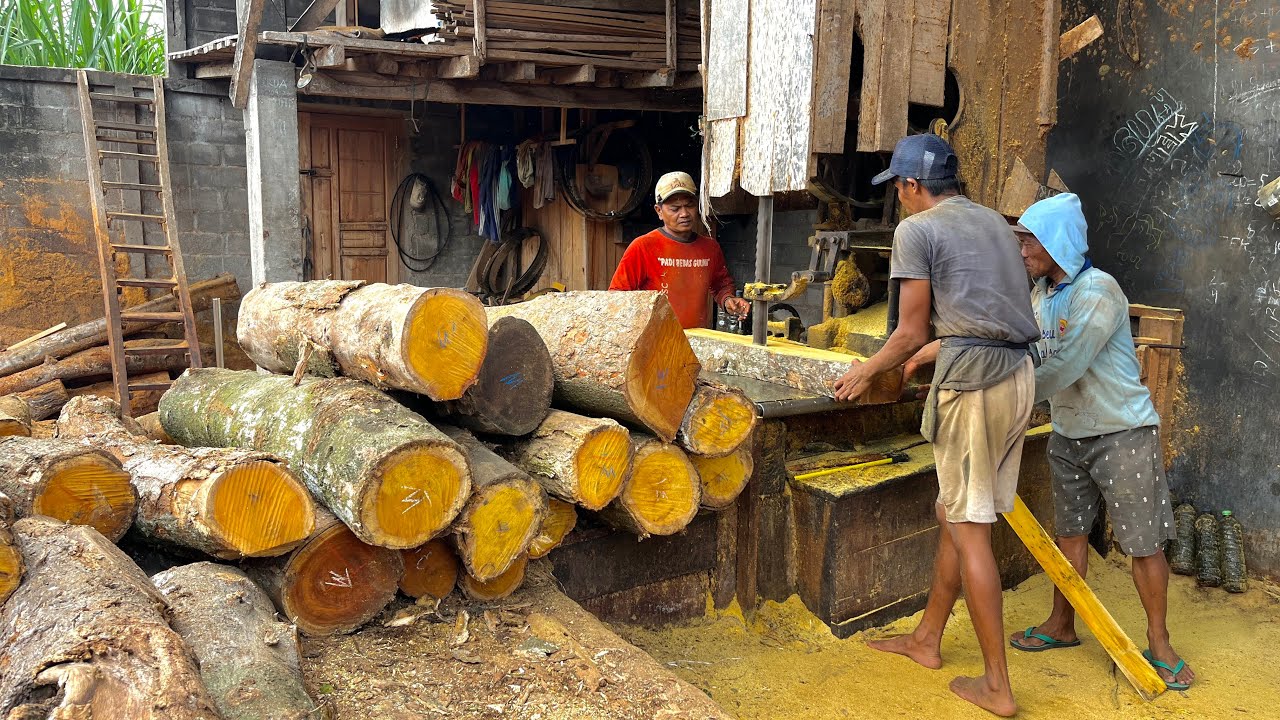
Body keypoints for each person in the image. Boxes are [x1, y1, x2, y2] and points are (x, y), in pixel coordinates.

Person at [833, 134, 1040, 717]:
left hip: (974, 386)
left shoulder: (916, 231)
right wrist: (922, 358)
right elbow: (983, 316)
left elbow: (910, 332)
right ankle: (927, 639)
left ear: (911, 185)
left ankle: (997, 686)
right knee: (954, 511)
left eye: (898, 188)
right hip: (1019, 377)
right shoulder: (999, 225)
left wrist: (866, 373)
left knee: (970, 527)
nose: (899, 199)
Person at [1007, 192, 1194, 691]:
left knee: (1142, 543)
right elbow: (1025, 349)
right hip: (1069, 434)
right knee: (1069, 535)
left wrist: (1009, 400)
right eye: (1021, 241)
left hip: (1121, 434)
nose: (1022, 251)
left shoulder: (1098, 291)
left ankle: (1159, 642)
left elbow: (1066, 363)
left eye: (1029, 242)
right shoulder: (1039, 295)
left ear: (1057, 243)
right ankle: (1062, 624)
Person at [608, 171, 749, 329]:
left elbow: (721, 284)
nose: (684, 214)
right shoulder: (643, 247)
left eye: (689, 205)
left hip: (697, 341)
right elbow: (617, 296)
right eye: (675, 209)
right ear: (659, 211)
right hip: (656, 341)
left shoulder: (710, 248)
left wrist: (728, 300)